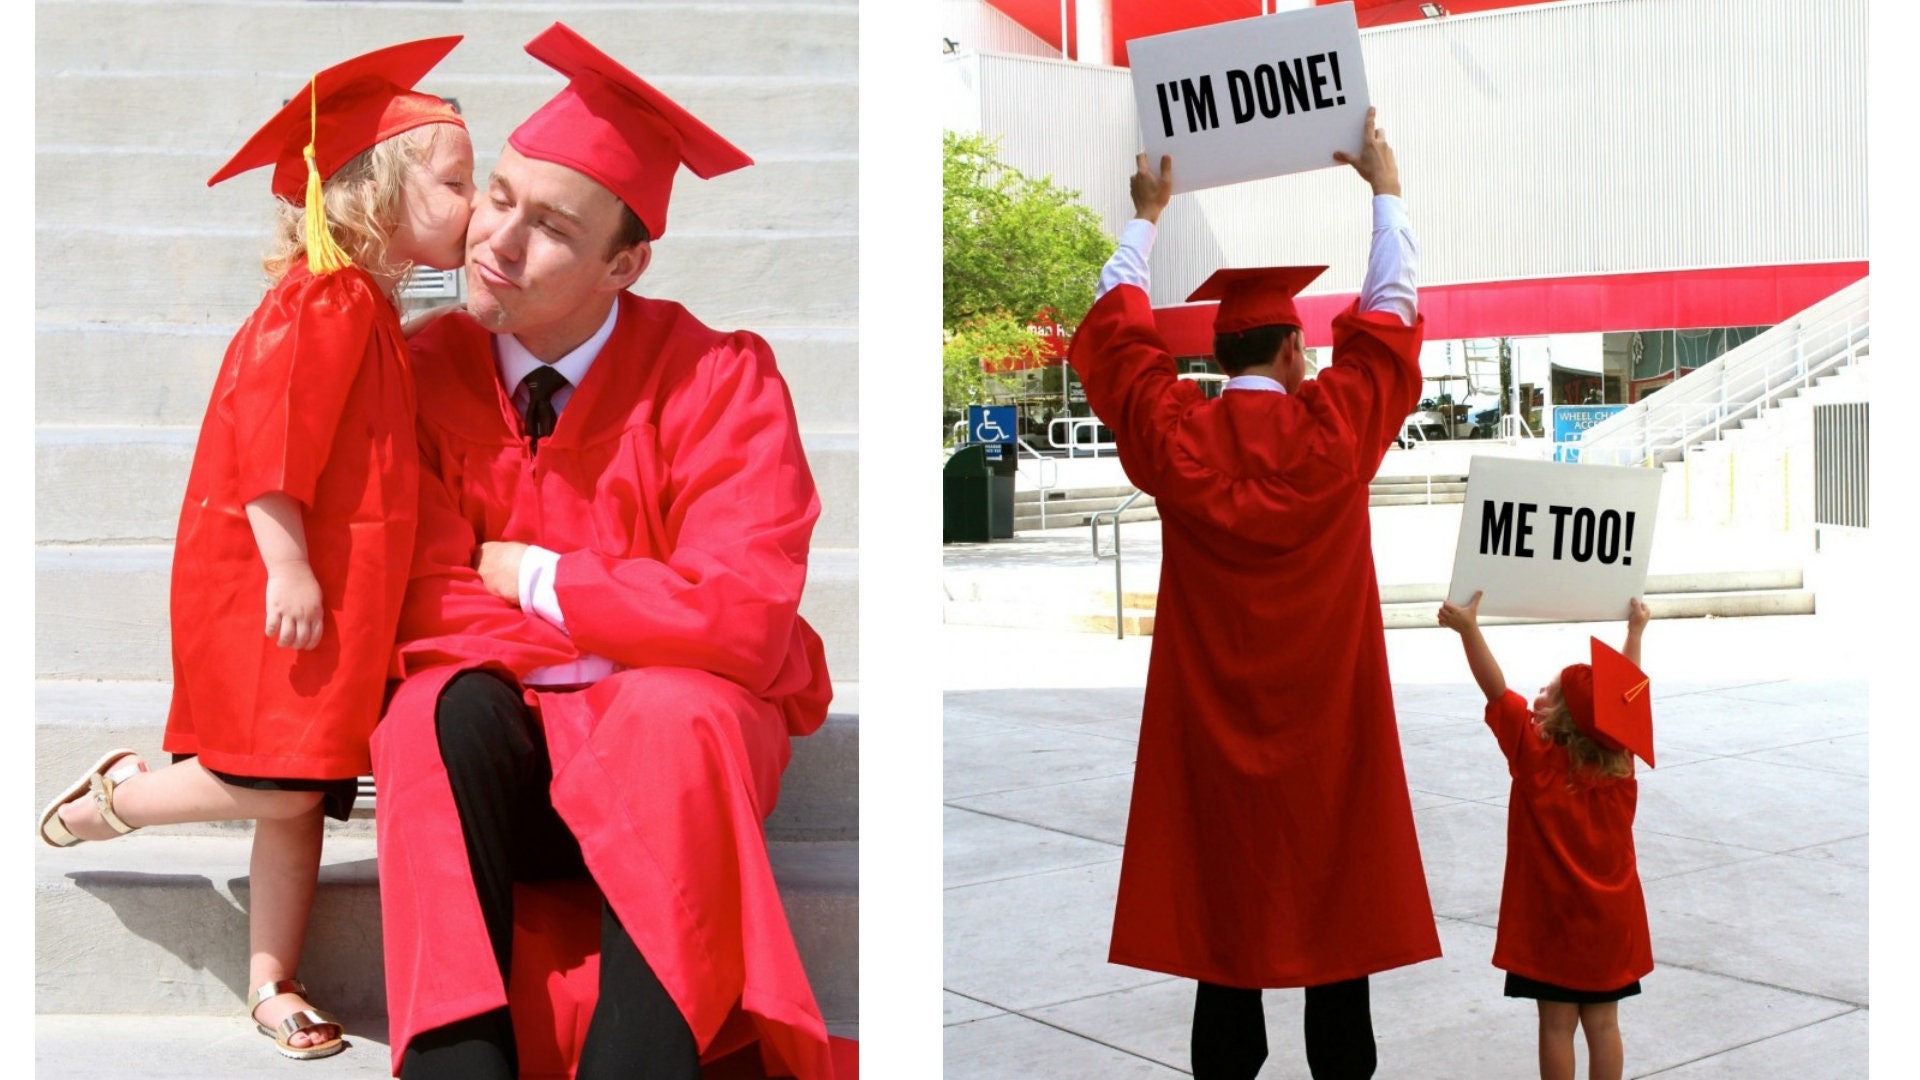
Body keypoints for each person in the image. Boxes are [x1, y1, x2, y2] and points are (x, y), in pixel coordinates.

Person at [370, 22, 838, 1080]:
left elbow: (746, 616)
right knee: (430, 708)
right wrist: (624, 633)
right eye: (496, 196)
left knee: (676, 710)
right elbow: (414, 601)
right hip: (514, 766)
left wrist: (535, 577)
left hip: (676, 769)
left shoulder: (719, 381)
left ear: (624, 263)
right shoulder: (419, 372)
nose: (496, 242)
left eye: (550, 228)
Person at [35, 37, 474, 1062]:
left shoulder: (371, 307)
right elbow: (271, 451)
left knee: (308, 786)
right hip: (276, 583)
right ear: (376, 196)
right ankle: (121, 799)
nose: (476, 197)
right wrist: (288, 566)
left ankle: (272, 977)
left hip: (336, 590)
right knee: (281, 780)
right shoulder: (323, 302)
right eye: (454, 181)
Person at [1066, 107, 1440, 1080]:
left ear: (1224, 357)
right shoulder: (1335, 436)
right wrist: (1384, 188)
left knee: (1225, 953)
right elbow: (1392, 318)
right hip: (1330, 741)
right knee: (1338, 947)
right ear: (1294, 352)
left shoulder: (1177, 439)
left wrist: (1148, 214)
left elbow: (1114, 335)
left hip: (1216, 746)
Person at [1436, 592, 1656, 1080]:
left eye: (1546, 691)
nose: (1535, 692)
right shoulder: (1621, 770)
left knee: (1556, 1026)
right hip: (1608, 927)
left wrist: (1469, 630)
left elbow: (1494, 689)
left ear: (1559, 717)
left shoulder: (1535, 759)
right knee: (1603, 1024)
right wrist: (1635, 633)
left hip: (1553, 925)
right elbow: (1621, 704)